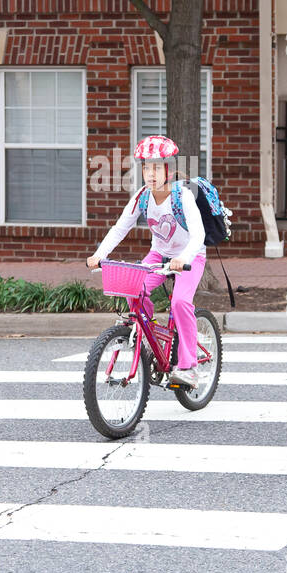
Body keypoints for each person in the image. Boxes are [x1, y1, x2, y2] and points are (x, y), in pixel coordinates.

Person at [86, 135, 207, 388]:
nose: (150, 174)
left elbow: (198, 234)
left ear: (169, 169)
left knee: (181, 302)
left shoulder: (182, 196)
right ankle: (151, 334)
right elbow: (120, 228)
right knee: (133, 289)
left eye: (156, 168)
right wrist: (100, 255)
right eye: (146, 168)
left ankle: (189, 367)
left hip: (190, 257)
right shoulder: (142, 196)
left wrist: (183, 258)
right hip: (158, 255)